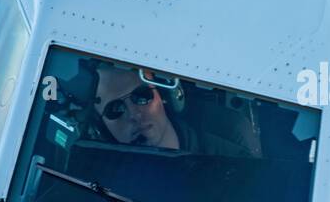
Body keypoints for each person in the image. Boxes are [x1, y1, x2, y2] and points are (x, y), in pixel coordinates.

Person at [91, 63, 258, 157]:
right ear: (102, 126)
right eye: (115, 109)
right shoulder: (92, 180)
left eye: (141, 96)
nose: (134, 114)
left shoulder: (231, 161)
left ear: (164, 96)